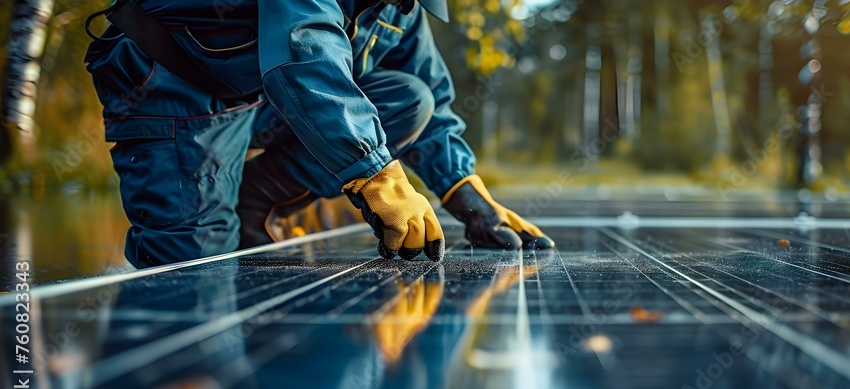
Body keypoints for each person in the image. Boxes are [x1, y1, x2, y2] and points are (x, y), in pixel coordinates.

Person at [85, 0, 554, 269]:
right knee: (193, 274)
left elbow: (427, 94)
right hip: (174, 86)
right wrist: (378, 177)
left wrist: (468, 196)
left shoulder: (400, 6)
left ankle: (253, 199)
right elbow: (304, 58)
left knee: (410, 98)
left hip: (263, 91)